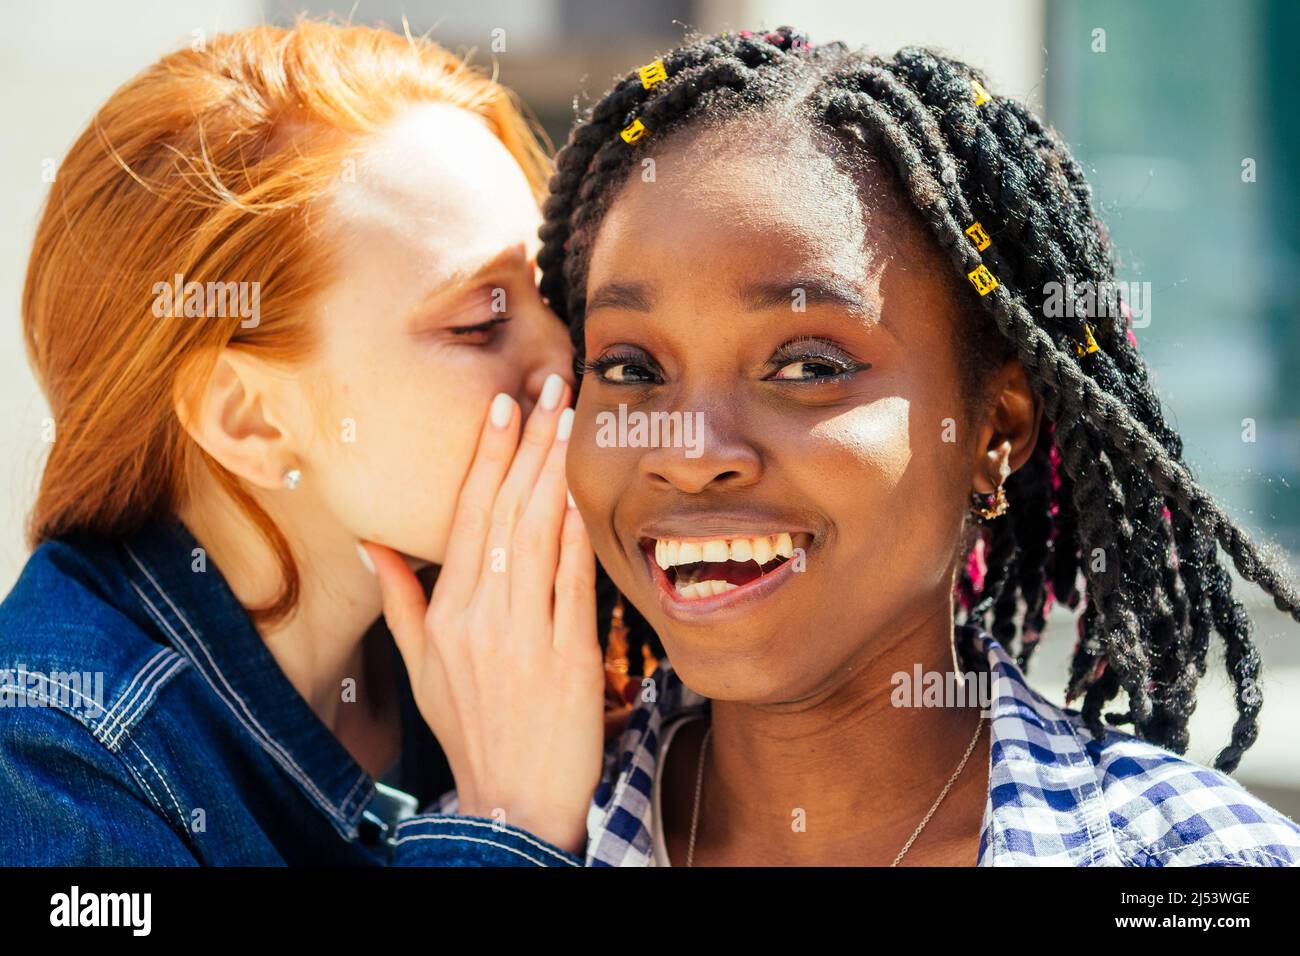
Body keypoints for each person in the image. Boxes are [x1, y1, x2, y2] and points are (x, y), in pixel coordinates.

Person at [540, 27, 1300, 866]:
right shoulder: (496, 835)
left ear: (996, 431)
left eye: (807, 367)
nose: (688, 451)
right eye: (631, 367)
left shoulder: (1200, 868)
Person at [0, 20, 604, 865]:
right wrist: (505, 824)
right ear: (247, 418)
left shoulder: (560, 608)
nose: (570, 361)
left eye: (557, 298)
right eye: (482, 321)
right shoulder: (50, 763)